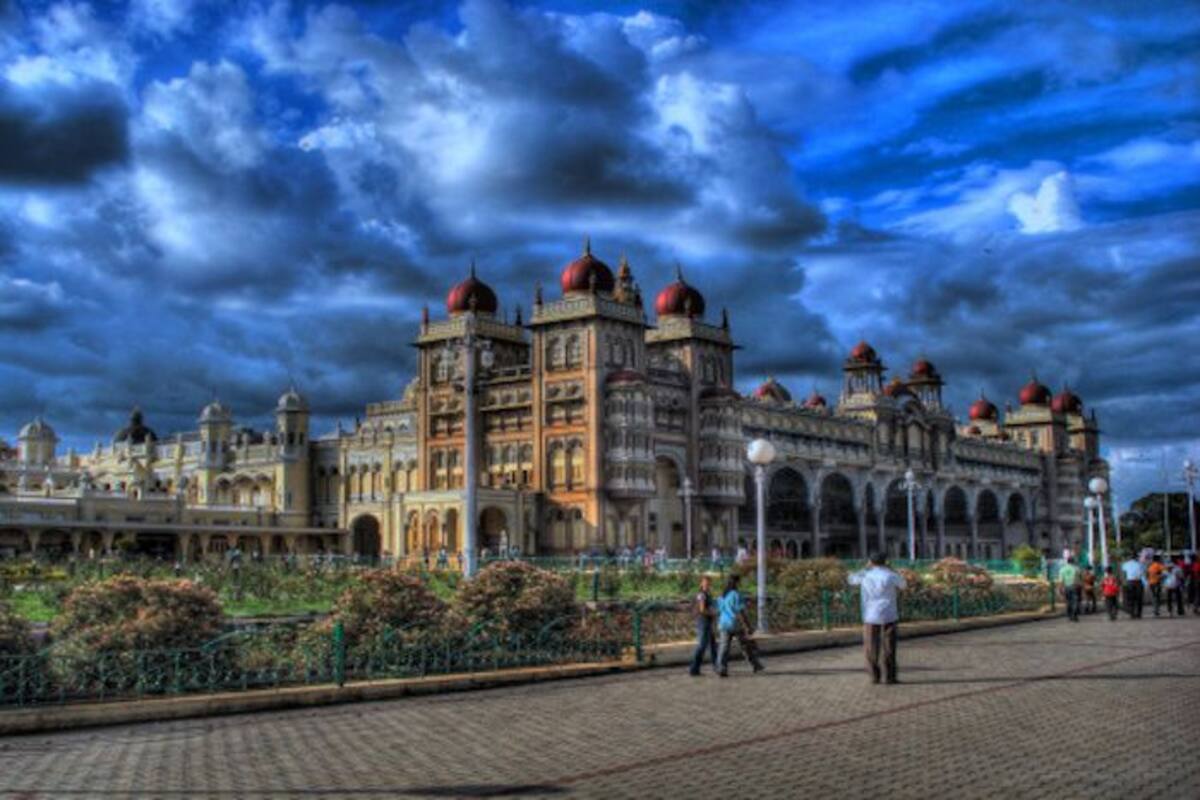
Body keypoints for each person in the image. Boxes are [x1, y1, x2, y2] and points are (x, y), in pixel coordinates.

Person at [848, 552, 908, 684]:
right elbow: (903, 584)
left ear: (870, 562)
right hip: (889, 614)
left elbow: (851, 579)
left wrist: (865, 568)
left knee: (870, 647)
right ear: (885, 562)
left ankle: (874, 676)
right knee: (889, 647)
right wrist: (891, 569)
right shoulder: (890, 575)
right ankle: (889, 676)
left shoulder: (865, 575)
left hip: (870, 615)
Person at [715, 574, 764, 676]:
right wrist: (747, 626)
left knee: (723, 648)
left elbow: (719, 610)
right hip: (734, 624)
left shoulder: (722, 596)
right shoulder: (736, 595)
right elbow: (740, 612)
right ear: (736, 582)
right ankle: (755, 664)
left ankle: (721, 667)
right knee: (745, 646)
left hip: (723, 624)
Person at [688, 575, 719, 676]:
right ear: (701, 583)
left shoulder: (706, 594)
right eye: (705, 582)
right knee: (702, 645)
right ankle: (694, 668)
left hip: (707, 622)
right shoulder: (702, 595)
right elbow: (702, 610)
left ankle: (717, 666)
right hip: (703, 622)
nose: (707, 584)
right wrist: (713, 613)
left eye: (709, 582)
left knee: (713, 645)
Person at [1121, 553, 1145, 619]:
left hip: (1130, 582)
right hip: (1138, 582)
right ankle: (1139, 613)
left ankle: (1132, 613)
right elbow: (1143, 574)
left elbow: (1123, 574)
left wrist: (1124, 583)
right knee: (1139, 599)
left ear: (1130, 557)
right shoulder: (1140, 564)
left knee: (1131, 598)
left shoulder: (1125, 564)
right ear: (1136, 557)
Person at [1059, 556, 1081, 622]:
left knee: (1068, 601)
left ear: (1067, 561)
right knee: (1075, 601)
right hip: (1074, 586)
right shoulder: (1076, 568)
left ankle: (1069, 615)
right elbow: (1078, 578)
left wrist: (1060, 588)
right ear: (1073, 561)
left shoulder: (1062, 569)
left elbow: (1061, 580)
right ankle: (1074, 614)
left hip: (1066, 587)